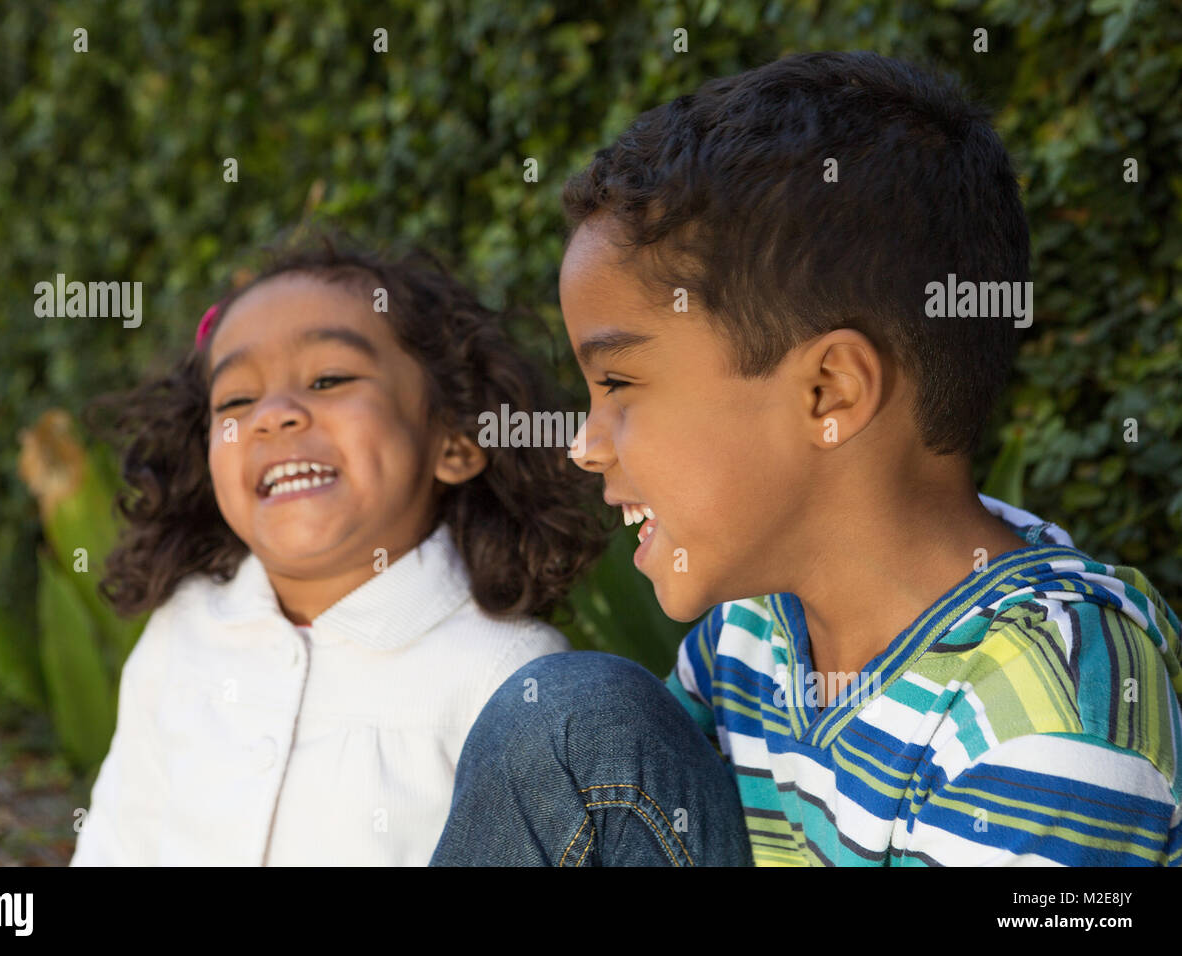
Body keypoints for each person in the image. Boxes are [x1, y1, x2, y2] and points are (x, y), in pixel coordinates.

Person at [430, 51, 1182, 866]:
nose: (584, 444)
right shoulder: (752, 633)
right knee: (574, 724)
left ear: (829, 393)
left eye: (619, 383)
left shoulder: (1044, 715)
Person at [70, 231, 607, 865]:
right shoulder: (180, 633)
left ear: (455, 438)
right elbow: (115, 846)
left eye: (328, 379)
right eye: (237, 399)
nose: (274, 414)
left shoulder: (508, 680)